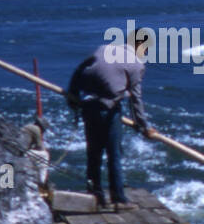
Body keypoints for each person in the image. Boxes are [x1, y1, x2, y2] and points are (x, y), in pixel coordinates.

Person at [66, 30, 158, 210]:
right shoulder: (136, 64)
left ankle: (95, 195)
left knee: (93, 153)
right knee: (114, 154)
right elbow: (135, 100)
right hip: (108, 109)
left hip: (87, 105)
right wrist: (144, 127)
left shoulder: (104, 48)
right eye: (147, 48)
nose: (147, 52)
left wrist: (72, 95)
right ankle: (119, 199)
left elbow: (79, 70)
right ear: (140, 46)